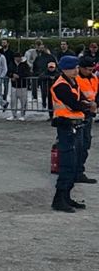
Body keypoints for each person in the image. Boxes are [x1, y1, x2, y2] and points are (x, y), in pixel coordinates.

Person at [50, 56, 86, 213]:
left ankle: (66, 197)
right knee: (67, 164)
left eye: (77, 68)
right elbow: (73, 104)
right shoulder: (61, 85)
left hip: (75, 126)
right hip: (65, 126)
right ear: (65, 69)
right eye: (74, 68)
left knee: (74, 162)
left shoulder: (72, 82)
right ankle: (59, 199)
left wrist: (87, 105)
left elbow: (80, 100)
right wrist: (87, 107)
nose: (76, 70)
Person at [75, 56, 98, 184]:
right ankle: (75, 171)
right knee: (78, 144)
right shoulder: (75, 79)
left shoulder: (94, 78)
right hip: (78, 115)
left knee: (86, 143)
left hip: (89, 115)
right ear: (81, 68)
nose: (91, 71)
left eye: (92, 69)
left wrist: (95, 105)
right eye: (88, 69)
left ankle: (79, 170)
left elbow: (96, 93)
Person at [10, 53, 32, 121]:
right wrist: (12, 75)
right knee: (13, 101)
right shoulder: (11, 64)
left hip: (23, 86)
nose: (18, 59)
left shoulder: (25, 64)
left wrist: (19, 76)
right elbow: (8, 72)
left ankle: (23, 115)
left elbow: (28, 73)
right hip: (14, 86)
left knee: (23, 102)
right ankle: (13, 115)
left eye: (19, 57)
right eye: (17, 57)